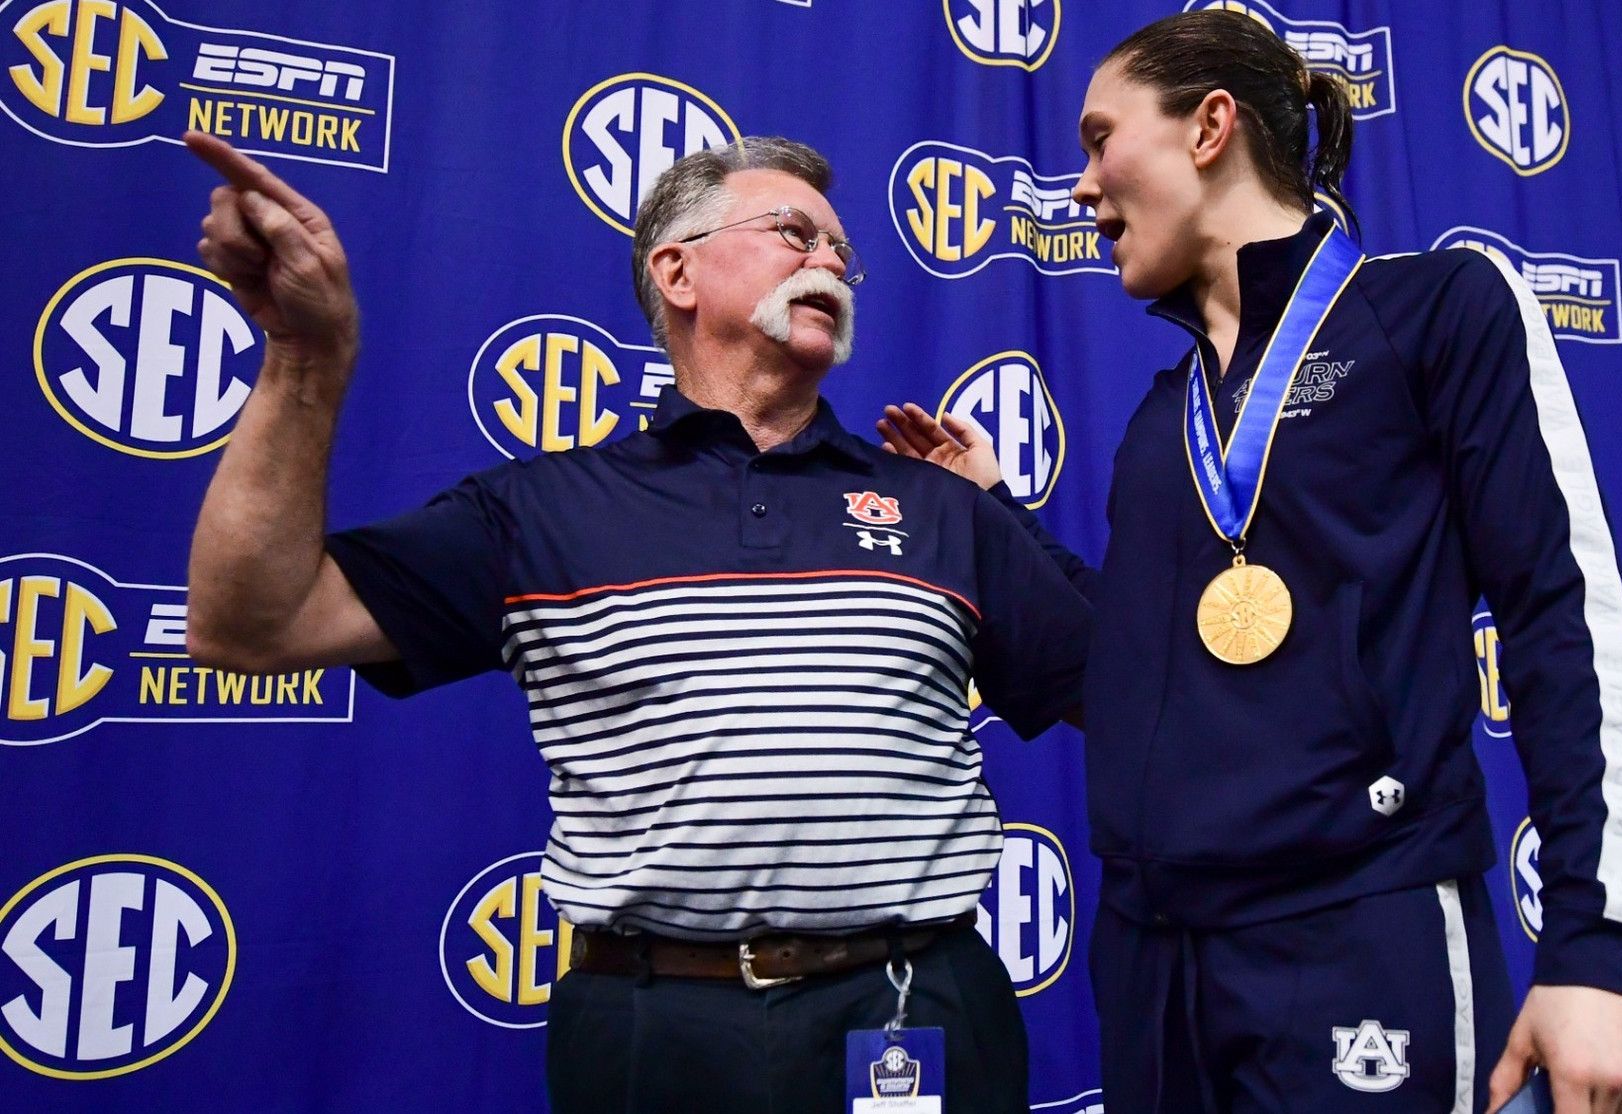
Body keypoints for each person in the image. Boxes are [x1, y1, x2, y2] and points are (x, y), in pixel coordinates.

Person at [182, 129, 1088, 1114]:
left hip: (914, 1009)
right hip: (652, 1028)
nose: (829, 260)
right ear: (677, 269)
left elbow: (1117, 674)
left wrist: (1000, 506)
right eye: (794, 232)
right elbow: (252, 624)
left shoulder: (941, 504)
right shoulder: (541, 508)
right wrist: (305, 358)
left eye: (841, 251)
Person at [878, 11, 1622, 1114]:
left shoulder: (1436, 312)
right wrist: (994, 516)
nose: (1080, 185)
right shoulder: (1168, 417)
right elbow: (1129, 673)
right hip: (1156, 956)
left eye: (1103, 139)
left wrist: (1599, 949)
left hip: (1357, 926)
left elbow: (1561, 612)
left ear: (1210, 127)